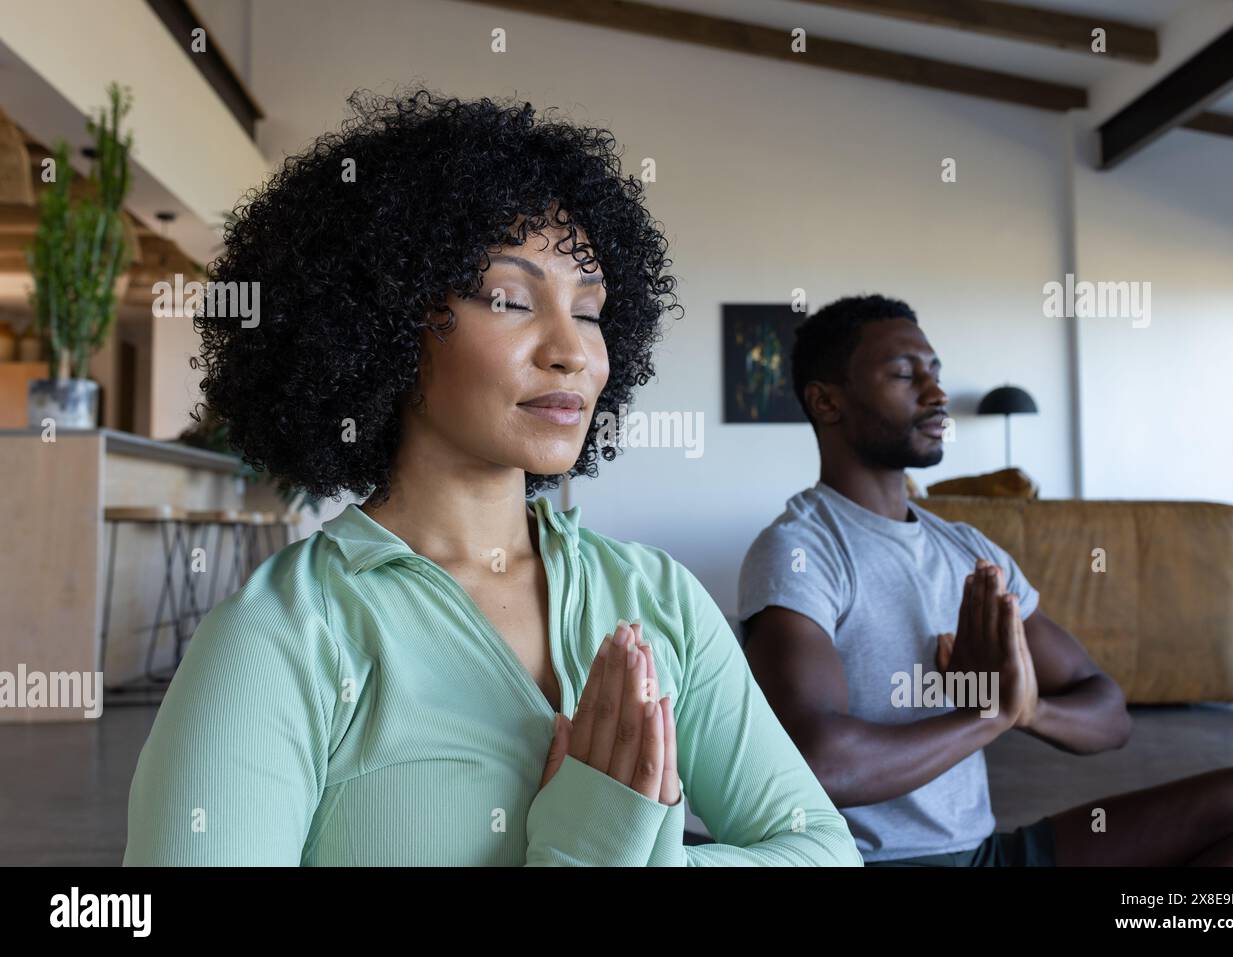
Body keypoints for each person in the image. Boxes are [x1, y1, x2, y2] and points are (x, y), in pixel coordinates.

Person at [123, 90, 859, 867]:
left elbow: (823, 852)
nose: (572, 349)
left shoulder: (659, 599)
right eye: (510, 299)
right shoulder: (284, 636)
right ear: (385, 323)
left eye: (592, 310)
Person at [738, 293, 1233, 866]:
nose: (935, 394)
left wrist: (1028, 708)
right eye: (904, 374)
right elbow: (818, 762)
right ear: (827, 402)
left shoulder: (969, 548)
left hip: (983, 855)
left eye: (934, 373)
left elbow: (1109, 713)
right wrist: (985, 715)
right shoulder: (800, 549)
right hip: (876, 864)